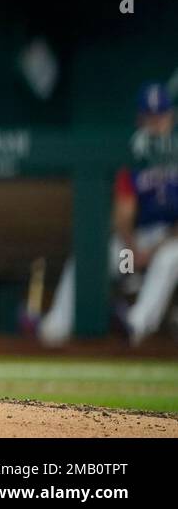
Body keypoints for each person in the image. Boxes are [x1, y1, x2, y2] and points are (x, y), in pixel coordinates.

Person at [40, 84, 178, 346]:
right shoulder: (131, 155)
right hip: (137, 237)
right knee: (90, 258)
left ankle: (135, 325)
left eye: (161, 116)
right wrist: (134, 248)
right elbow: (123, 213)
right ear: (140, 119)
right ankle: (57, 327)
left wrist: (158, 247)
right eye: (150, 116)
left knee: (171, 258)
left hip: (171, 238)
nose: (156, 123)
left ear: (170, 117)